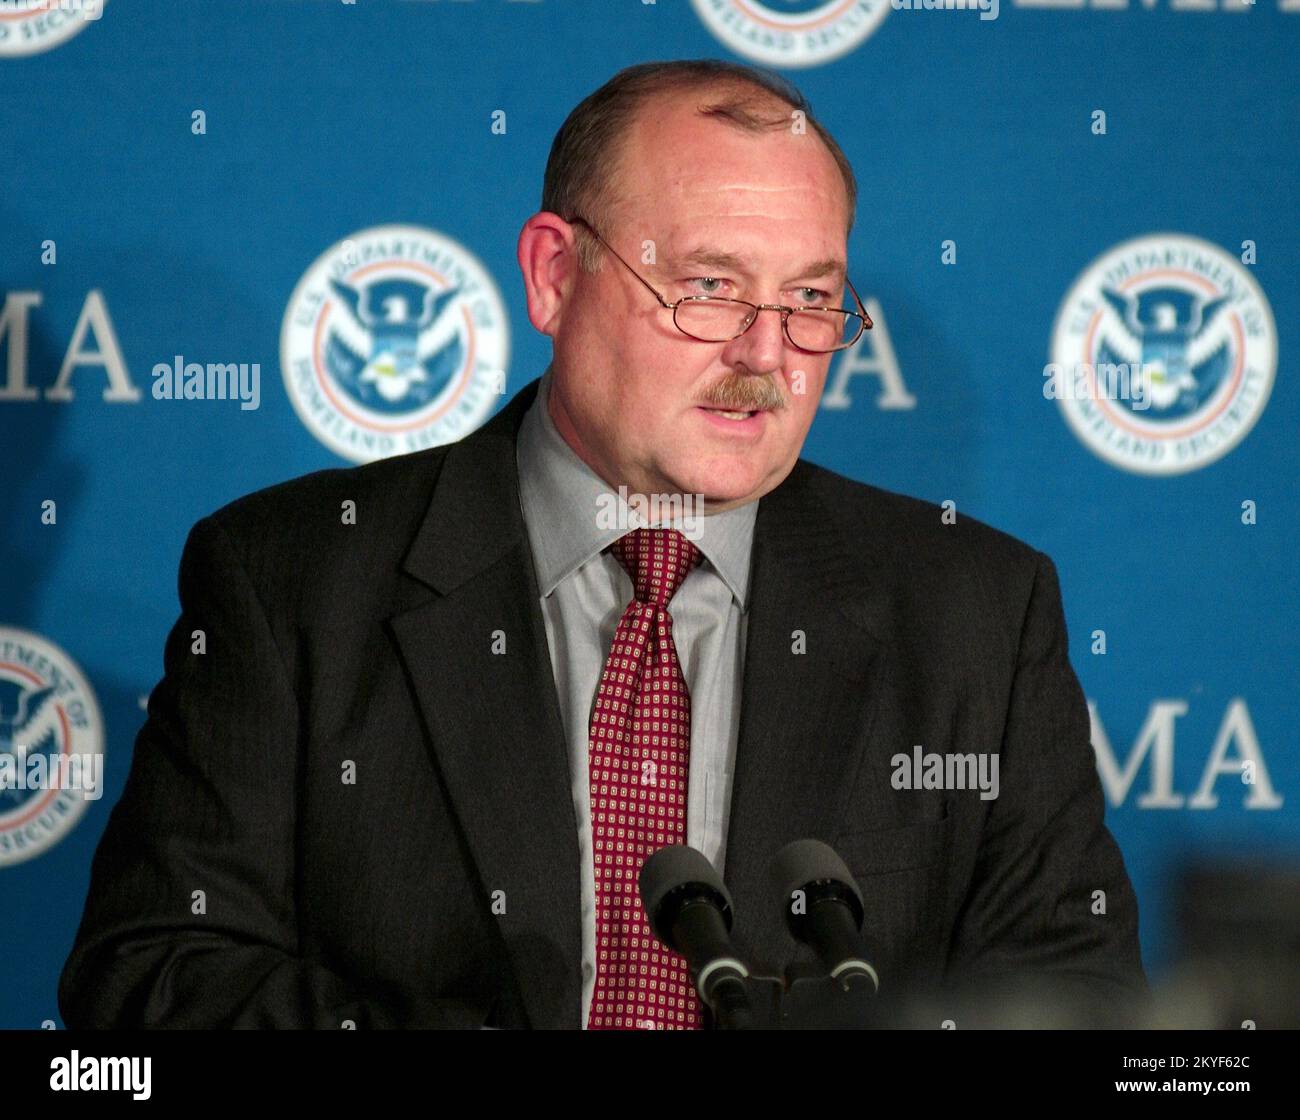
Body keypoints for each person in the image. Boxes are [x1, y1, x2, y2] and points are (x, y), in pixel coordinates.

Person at [59, 59, 1147, 1030]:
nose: (765, 354)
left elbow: (1068, 995)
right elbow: (151, 977)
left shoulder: (976, 610)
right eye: (709, 286)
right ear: (551, 274)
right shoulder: (293, 578)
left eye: (811, 298)